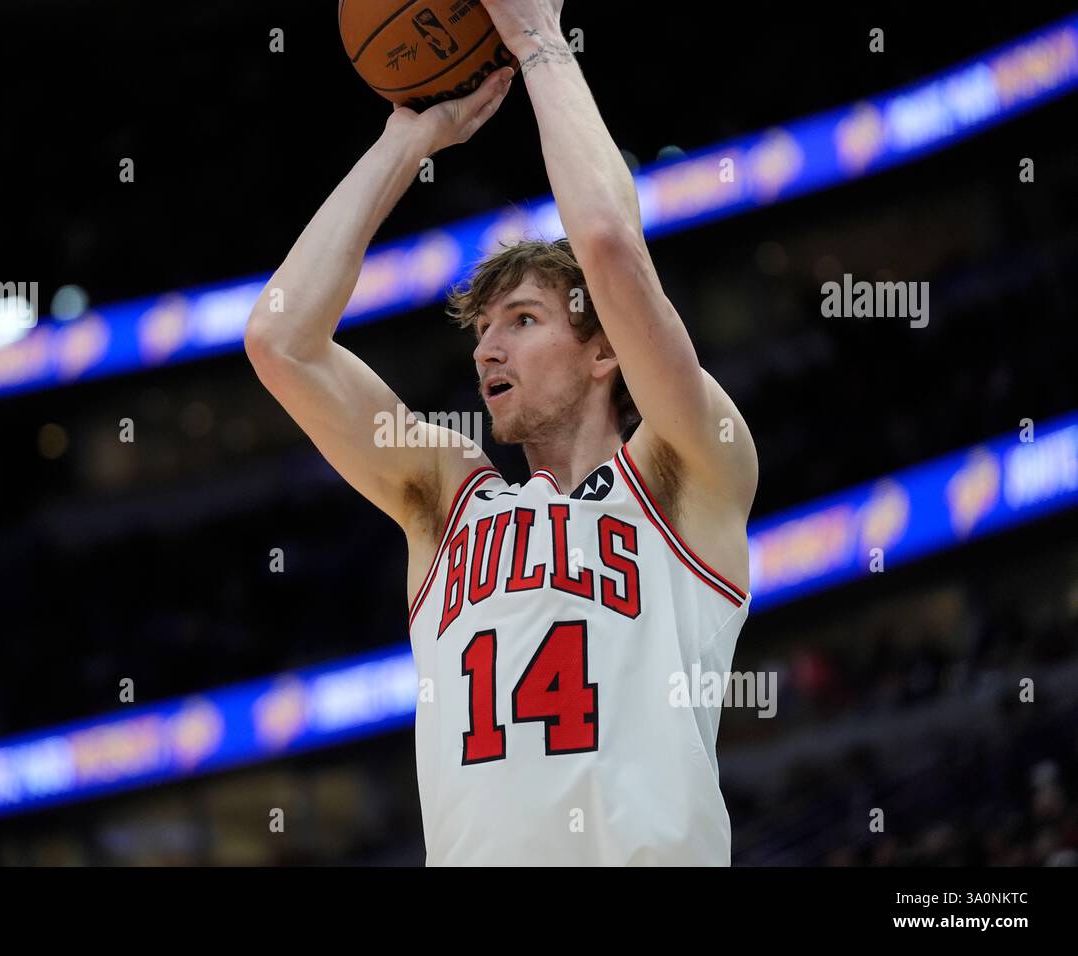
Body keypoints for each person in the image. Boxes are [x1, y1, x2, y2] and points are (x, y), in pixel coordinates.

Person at [245, 0, 757, 865]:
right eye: (482, 328)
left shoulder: (688, 470)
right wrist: (405, 141)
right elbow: (280, 339)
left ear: (603, 351)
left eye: (521, 320)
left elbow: (606, 241)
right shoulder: (448, 502)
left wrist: (538, 43)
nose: (487, 346)